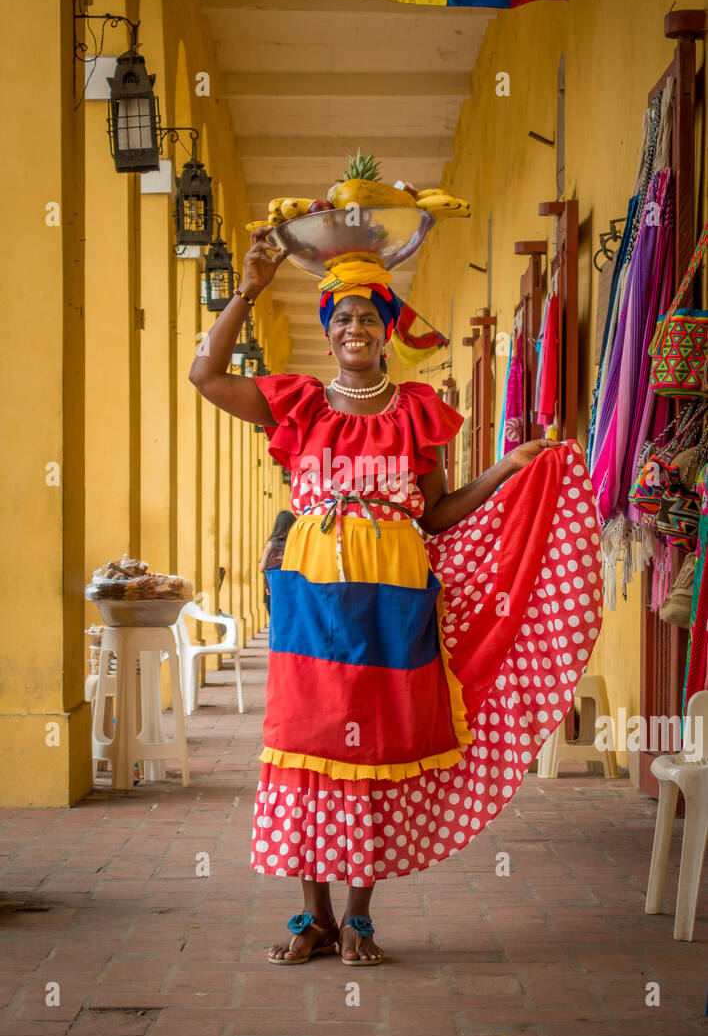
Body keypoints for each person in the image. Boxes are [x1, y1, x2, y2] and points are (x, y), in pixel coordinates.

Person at [189, 227, 602, 966]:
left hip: (397, 592)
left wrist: (508, 467)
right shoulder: (300, 404)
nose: (355, 328)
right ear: (330, 329)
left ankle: (358, 919)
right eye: (342, 317)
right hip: (313, 593)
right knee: (307, 741)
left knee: (374, 744)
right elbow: (204, 375)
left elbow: (438, 513)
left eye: (367, 318)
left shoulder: (415, 411)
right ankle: (310, 917)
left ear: (387, 332)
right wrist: (248, 288)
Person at [259, 511, 295, 615]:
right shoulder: (295, 543)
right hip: (292, 589)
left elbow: (262, 568)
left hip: (273, 590)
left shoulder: (271, 543)